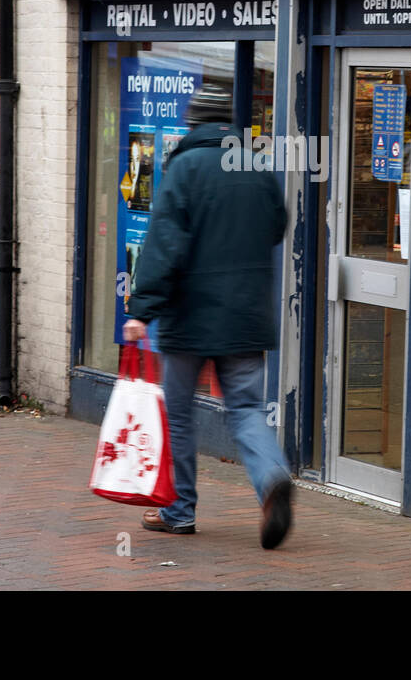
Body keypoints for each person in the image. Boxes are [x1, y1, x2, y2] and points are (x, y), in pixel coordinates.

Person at [122, 82, 293, 549]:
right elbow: (277, 225)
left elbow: (163, 245)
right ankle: (273, 477)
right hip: (245, 315)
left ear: (193, 122)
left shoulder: (184, 167)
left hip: (189, 319)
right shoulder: (255, 164)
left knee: (179, 416)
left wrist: (141, 309)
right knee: (246, 410)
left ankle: (179, 512)